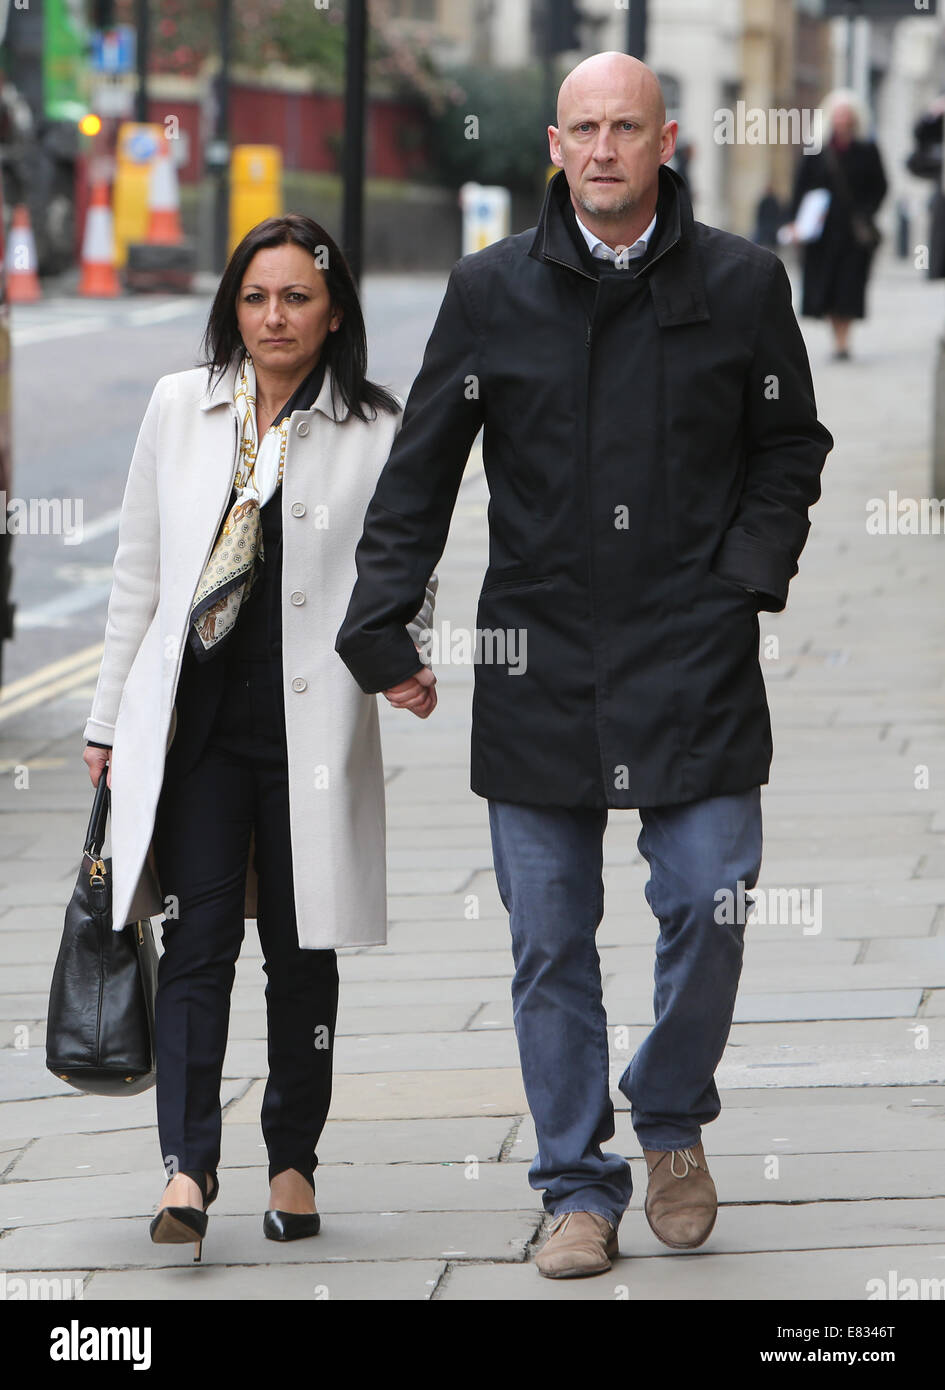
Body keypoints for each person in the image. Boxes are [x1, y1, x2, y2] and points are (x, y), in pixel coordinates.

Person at [336, 52, 833, 1279]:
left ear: (666, 143)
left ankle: (669, 1120)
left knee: (711, 892)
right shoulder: (490, 291)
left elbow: (790, 445)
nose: (604, 149)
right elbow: (422, 472)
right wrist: (381, 619)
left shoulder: (742, 283)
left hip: (693, 647)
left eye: (627, 128)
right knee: (548, 937)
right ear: (553, 148)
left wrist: (744, 580)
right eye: (584, 130)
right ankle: (575, 1184)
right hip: (540, 653)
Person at [82, 214, 437, 1261]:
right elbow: (137, 580)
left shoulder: (373, 426)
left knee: (303, 950)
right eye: (255, 296)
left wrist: (406, 656)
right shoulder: (177, 410)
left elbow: (403, 574)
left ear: (334, 314)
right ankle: (187, 1166)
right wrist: (106, 722)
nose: (273, 316)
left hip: (310, 736)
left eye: (296, 298)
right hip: (192, 735)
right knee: (194, 947)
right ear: (231, 306)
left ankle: (294, 1158)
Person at [787, 88, 887, 360]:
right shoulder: (817, 150)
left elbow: (880, 186)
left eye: (847, 115)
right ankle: (836, 336)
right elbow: (800, 187)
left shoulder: (867, 150)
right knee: (827, 286)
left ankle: (844, 341)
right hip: (823, 232)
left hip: (854, 232)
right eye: (838, 115)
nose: (842, 120)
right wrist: (797, 221)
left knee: (849, 286)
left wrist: (867, 212)